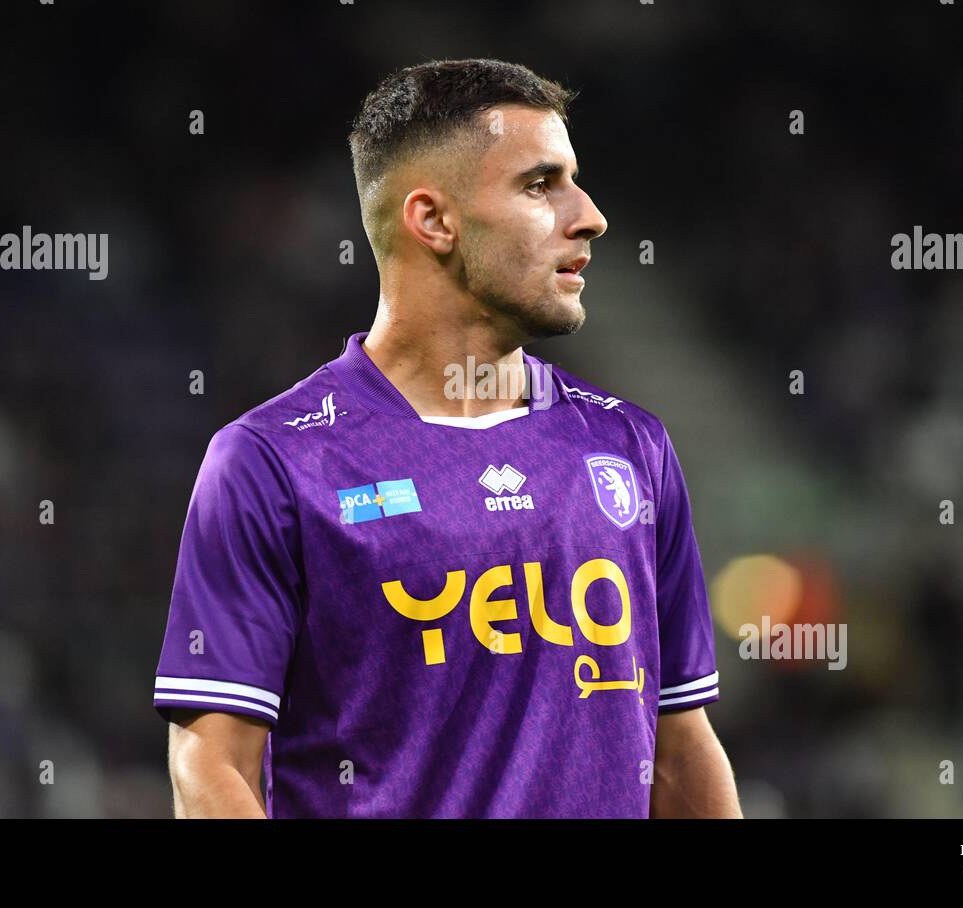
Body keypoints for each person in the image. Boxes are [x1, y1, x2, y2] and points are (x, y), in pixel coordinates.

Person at [154, 58, 741, 818]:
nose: (589, 214)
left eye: (575, 180)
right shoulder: (273, 464)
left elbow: (680, 749)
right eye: (540, 185)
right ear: (433, 221)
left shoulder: (630, 448)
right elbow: (211, 766)